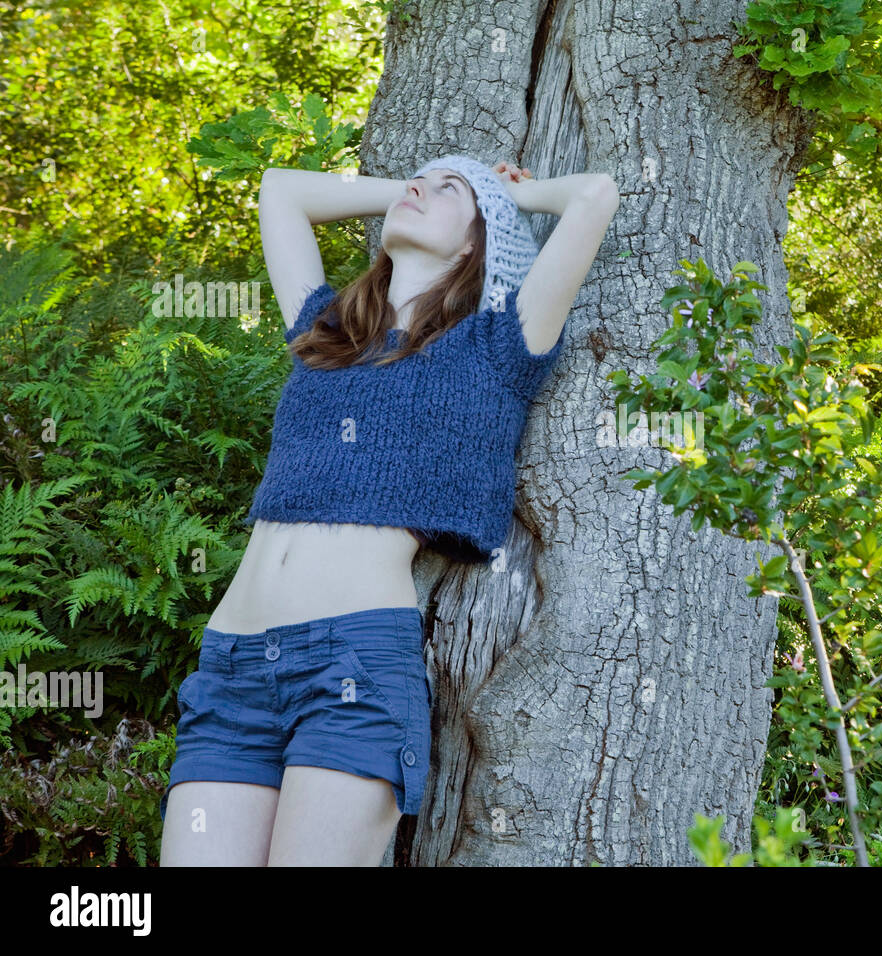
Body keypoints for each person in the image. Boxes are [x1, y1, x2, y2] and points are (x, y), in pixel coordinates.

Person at [158, 155, 619, 866]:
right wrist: (421, 189)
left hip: (353, 665)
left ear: (477, 240)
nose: (419, 188)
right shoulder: (326, 330)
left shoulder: (498, 346)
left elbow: (593, 195)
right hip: (231, 669)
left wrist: (506, 193)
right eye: (419, 178)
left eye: (448, 191)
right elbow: (281, 192)